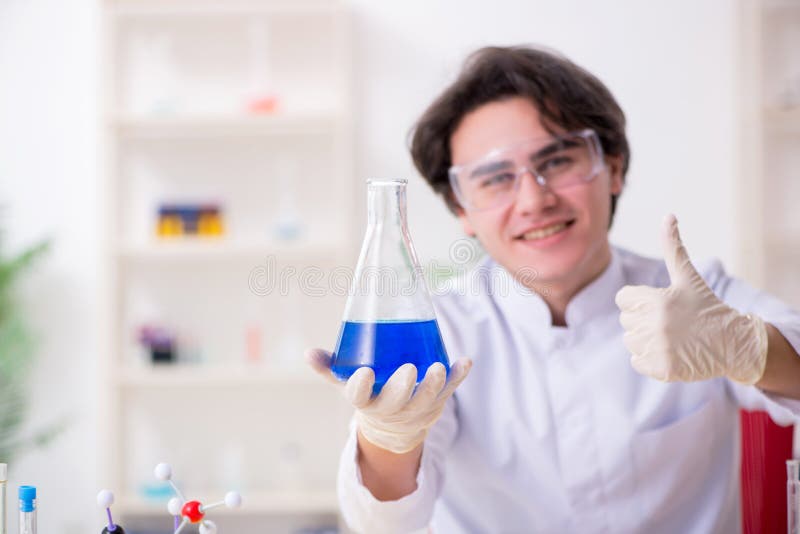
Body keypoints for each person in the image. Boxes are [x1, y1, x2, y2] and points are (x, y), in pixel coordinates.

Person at [307, 45, 800, 533]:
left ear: (613, 168)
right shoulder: (443, 327)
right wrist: (389, 436)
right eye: (496, 178)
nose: (534, 199)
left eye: (558, 161)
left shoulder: (694, 297)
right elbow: (385, 519)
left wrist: (749, 349)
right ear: (462, 211)